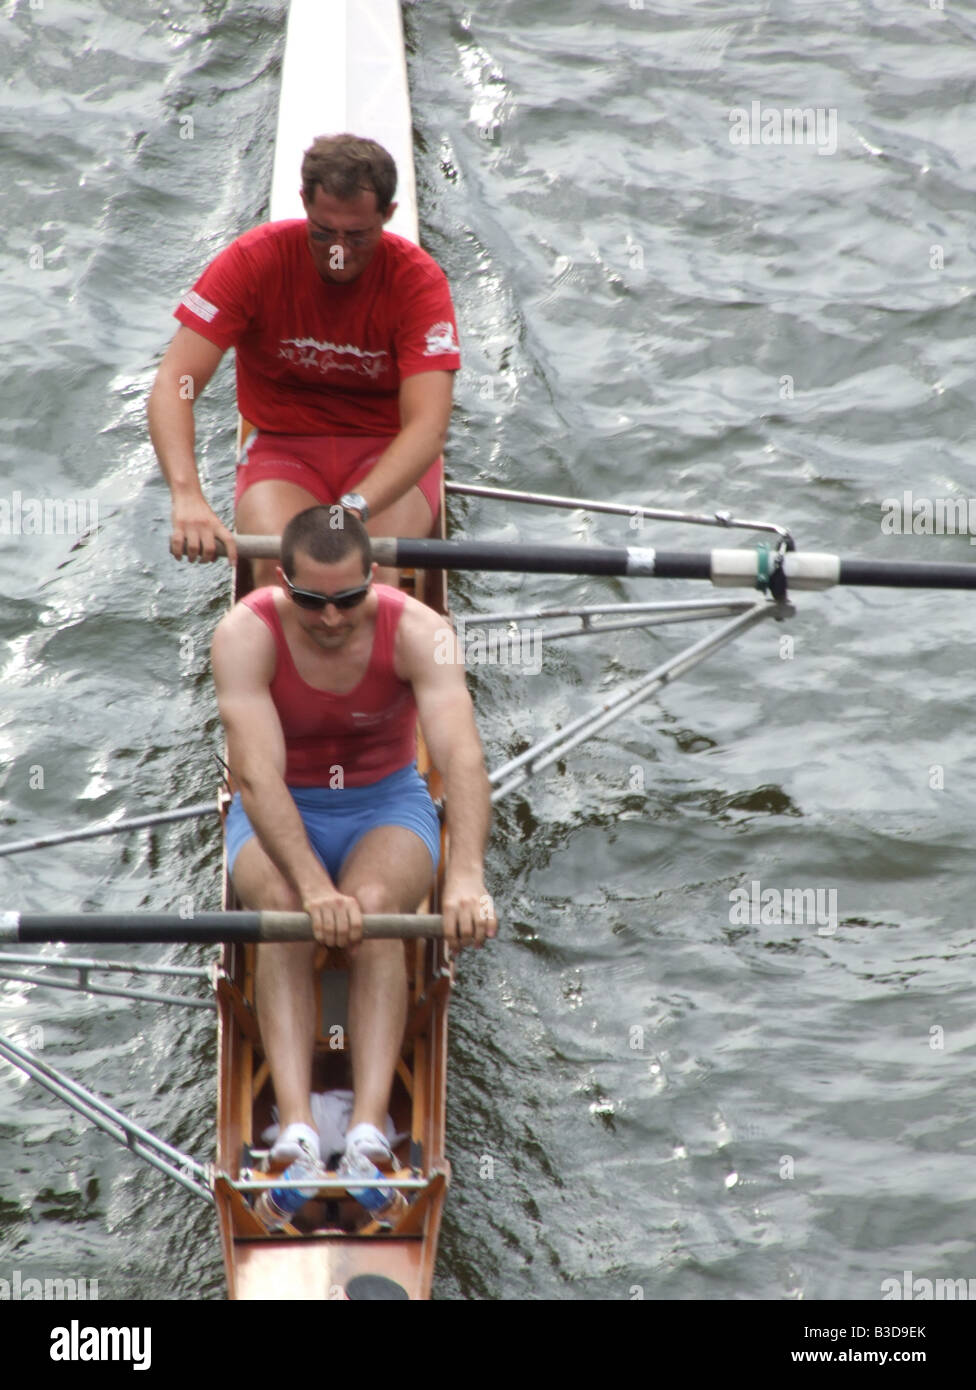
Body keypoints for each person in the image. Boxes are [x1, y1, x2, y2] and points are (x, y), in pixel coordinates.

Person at [210, 504, 495, 1174]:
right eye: (311, 600)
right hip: (280, 804)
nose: (331, 618)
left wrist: (466, 876)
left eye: (348, 599)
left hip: (385, 804)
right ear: (281, 581)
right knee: (285, 912)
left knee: (369, 907)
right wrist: (311, 889)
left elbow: (461, 759)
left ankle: (369, 1129)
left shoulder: (423, 631)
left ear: (377, 577)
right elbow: (255, 774)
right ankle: (297, 1131)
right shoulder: (242, 636)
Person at [149, 134, 460, 587]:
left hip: (386, 454)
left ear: (389, 215)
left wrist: (353, 509)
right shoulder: (251, 262)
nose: (339, 250)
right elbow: (176, 383)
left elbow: (427, 428)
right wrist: (187, 495)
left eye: (357, 235)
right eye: (322, 232)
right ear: (303, 204)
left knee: (367, 579)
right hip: (284, 451)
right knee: (286, 576)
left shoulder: (418, 283)